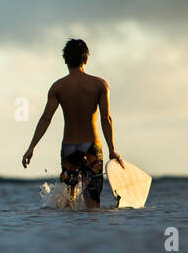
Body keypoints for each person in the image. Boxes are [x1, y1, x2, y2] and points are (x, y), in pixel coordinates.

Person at [21, 38, 123, 206]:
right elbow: (106, 119)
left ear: (65, 60)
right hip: (91, 148)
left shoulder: (58, 87)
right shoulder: (99, 85)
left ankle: (69, 232)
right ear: (86, 59)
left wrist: (31, 147)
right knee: (92, 204)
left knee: (69, 202)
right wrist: (112, 150)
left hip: (69, 148)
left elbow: (46, 119)